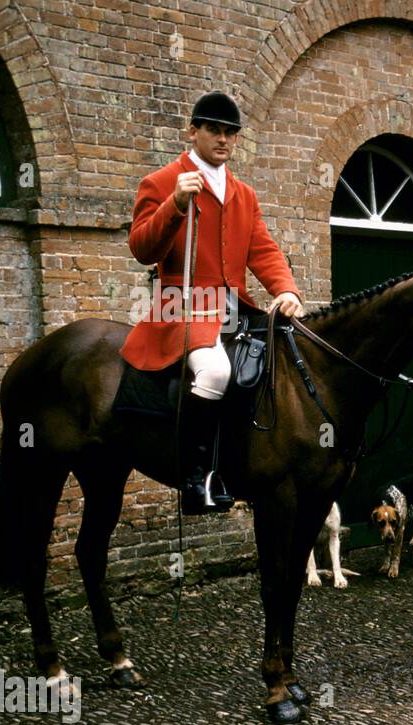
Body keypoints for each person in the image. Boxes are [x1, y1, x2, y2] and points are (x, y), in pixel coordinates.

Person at [122, 91, 303, 513]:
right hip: (181, 305)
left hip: (234, 306)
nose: (223, 140)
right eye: (214, 131)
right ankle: (195, 477)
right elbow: (141, 249)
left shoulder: (244, 194)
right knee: (217, 369)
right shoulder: (162, 181)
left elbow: (263, 250)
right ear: (194, 132)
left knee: (284, 357)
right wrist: (176, 204)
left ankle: (254, 460)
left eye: (230, 134)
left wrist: (286, 289)